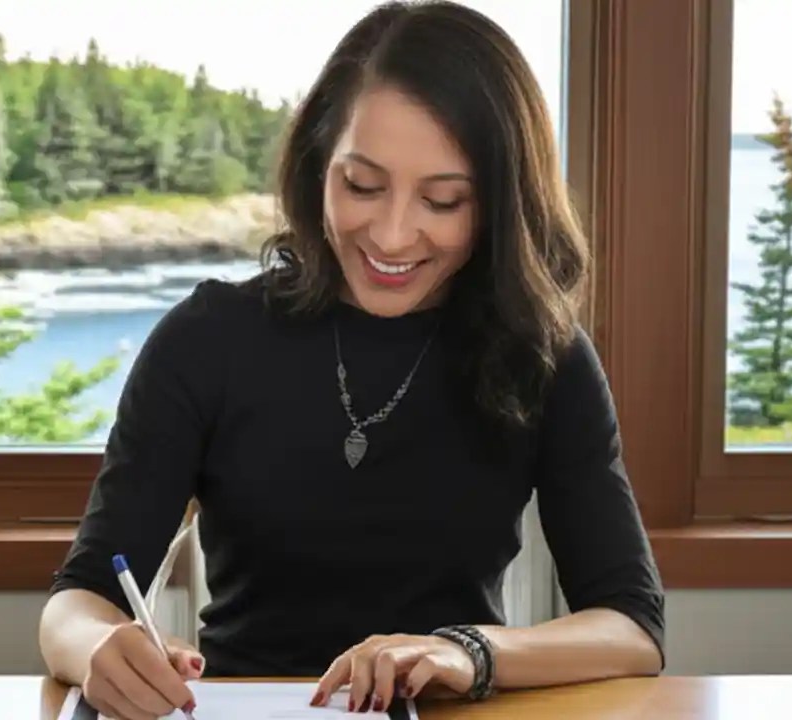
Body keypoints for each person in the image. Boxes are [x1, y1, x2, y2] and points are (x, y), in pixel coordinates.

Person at [38, 1, 665, 717]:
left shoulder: (543, 355)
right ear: (318, 166)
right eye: (362, 186)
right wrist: (98, 646)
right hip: (241, 706)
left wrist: (466, 652)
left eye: (444, 200)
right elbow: (77, 599)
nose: (393, 236)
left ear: (498, 204)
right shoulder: (207, 337)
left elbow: (631, 626)